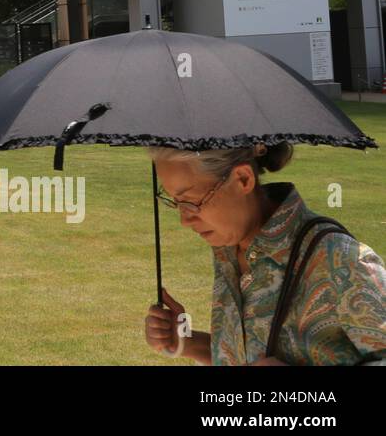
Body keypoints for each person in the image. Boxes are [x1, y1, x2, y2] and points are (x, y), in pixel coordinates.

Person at [144, 143, 386, 365]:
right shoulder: (228, 248)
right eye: (175, 202)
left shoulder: (342, 260)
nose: (184, 220)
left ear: (242, 179)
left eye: (192, 201)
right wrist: (186, 342)